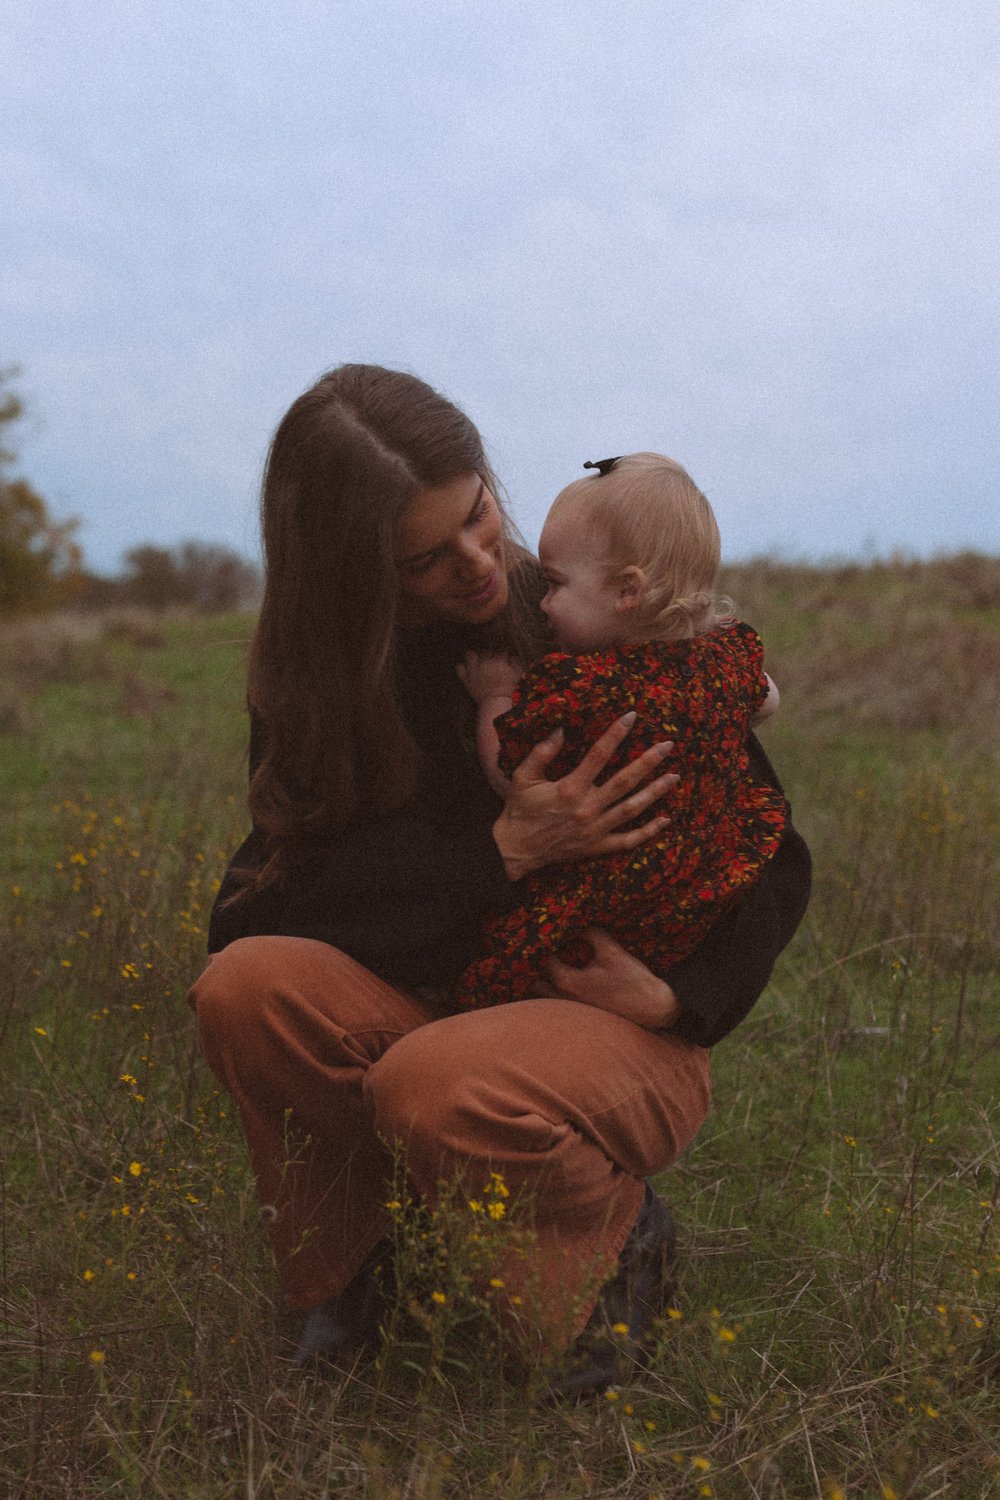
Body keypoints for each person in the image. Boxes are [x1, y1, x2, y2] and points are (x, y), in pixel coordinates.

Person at [188, 365, 811, 1392]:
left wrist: (680, 998)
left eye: (479, 516)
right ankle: (357, 1285)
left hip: (605, 1029)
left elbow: (772, 849)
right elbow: (257, 909)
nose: (481, 563)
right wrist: (505, 853)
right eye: (427, 559)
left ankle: (608, 1258)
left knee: (433, 1082)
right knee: (246, 987)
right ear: (355, 575)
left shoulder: (582, 617)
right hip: (445, 1004)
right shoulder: (318, 679)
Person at [453, 452, 789, 1010]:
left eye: (556, 583)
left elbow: (510, 769)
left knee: (493, 972)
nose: (542, 602)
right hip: (690, 906)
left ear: (626, 591)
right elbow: (768, 696)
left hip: (603, 903)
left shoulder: (588, 690)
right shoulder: (725, 661)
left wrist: (493, 695)